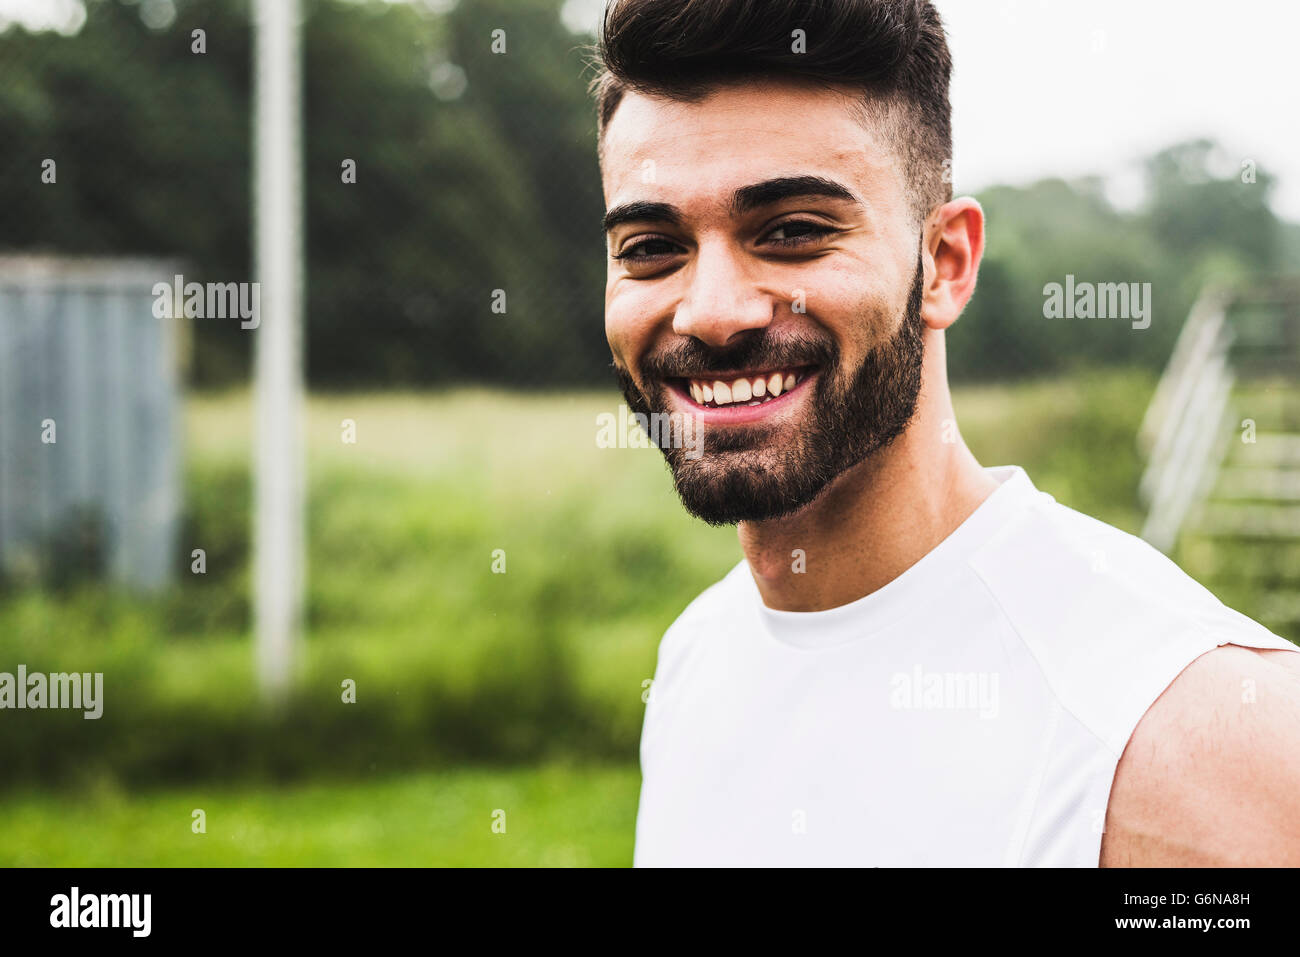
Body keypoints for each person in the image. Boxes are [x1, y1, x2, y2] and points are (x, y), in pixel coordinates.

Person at [589, 0, 1300, 866]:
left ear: (947, 264)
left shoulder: (1190, 730)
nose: (710, 313)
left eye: (794, 233)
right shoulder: (695, 659)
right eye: (651, 246)